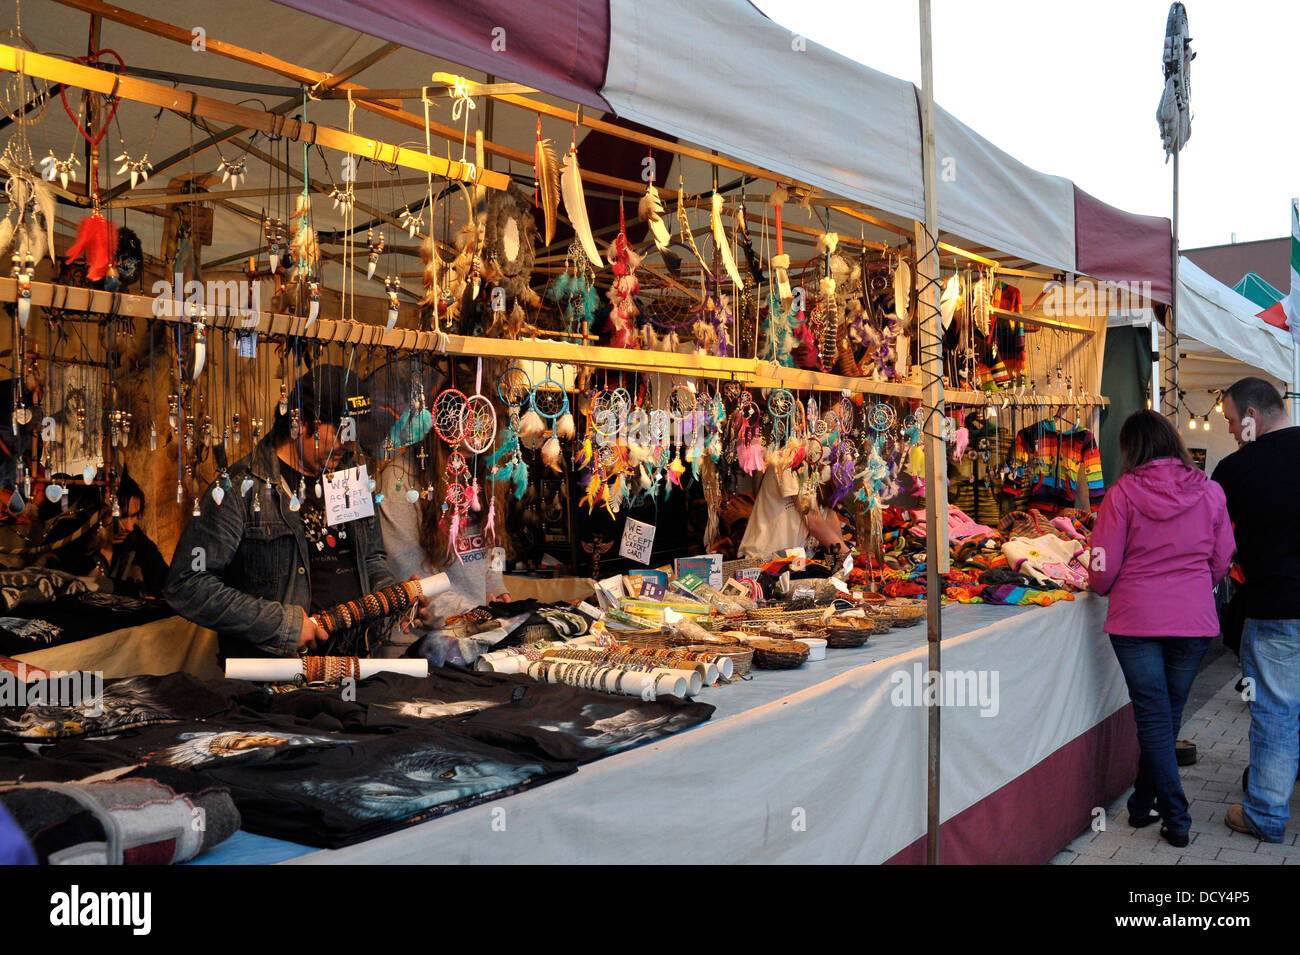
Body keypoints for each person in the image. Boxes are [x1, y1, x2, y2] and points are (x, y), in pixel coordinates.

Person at [165, 365, 422, 660]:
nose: (351, 444)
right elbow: (187, 584)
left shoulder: (348, 474)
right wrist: (280, 624)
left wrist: (394, 595)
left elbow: (369, 559)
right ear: (300, 424)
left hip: (354, 664)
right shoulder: (238, 490)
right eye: (343, 433)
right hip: (275, 678)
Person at [1088, 410, 1234, 848]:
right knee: (1166, 716)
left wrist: (1101, 585)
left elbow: (1102, 564)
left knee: (1155, 716)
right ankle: (1141, 805)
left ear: (1133, 448)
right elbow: (1223, 556)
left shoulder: (1121, 494)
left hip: (1135, 618)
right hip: (1192, 621)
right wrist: (1193, 587)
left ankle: (1176, 814)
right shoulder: (1211, 491)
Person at [1212, 376, 1300, 843]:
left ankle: (1266, 814)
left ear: (1252, 416)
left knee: (1276, 713)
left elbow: (1216, 545)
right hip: (1277, 607)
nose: (1229, 429)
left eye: (1230, 420)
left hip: (1276, 608)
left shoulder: (1234, 470)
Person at [92, 473, 169, 597]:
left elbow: (166, 582)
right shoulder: (79, 547)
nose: (129, 527)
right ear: (101, 513)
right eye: (122, 517)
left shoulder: (137, 541)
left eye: (133, 516)